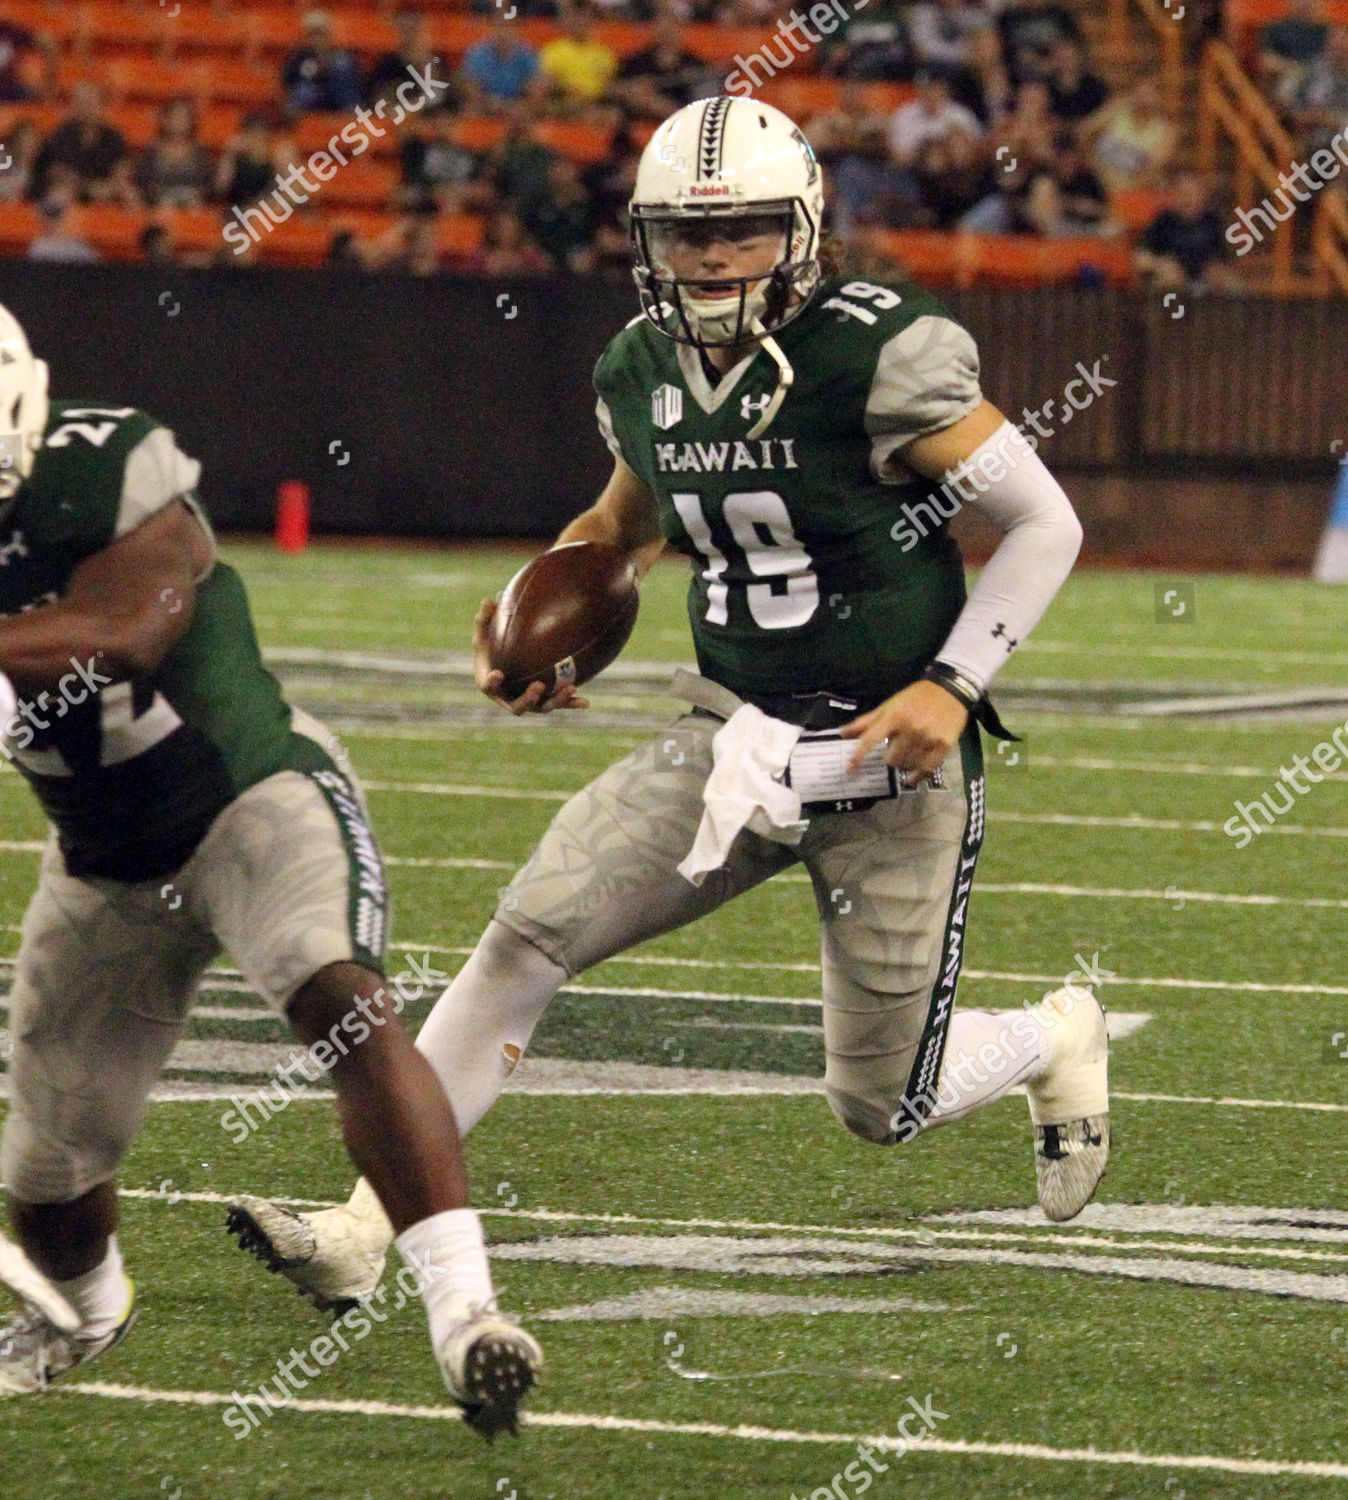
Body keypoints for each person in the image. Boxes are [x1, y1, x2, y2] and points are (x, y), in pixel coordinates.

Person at [226, 96, 1108, 1317]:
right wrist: (529, 617)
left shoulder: (883, 351)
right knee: (528, 935)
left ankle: (1058, 1033)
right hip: (732, 737)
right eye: (685, 232)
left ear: (798, 229)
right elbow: (618, 529)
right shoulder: (641, 367)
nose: (710, 255)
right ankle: (367, 1227)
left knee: (881, 1103)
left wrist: (952, 685)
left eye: (741, 228)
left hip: (885, 756)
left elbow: (1043, 522)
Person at [0, 306, 541, 1436]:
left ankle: (467, 1316)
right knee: (49, 1174)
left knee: (338, 993)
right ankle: (86, 1316)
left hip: (250, 798)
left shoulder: (104, 463)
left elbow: (131, 627)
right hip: (103, 862)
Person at [31, 83, 133, 204]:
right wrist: (82, 186)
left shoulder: (113, 137)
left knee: (129, 194)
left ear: (100, 106)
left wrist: (108, 187)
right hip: (73, 189)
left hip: (105, 188)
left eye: (91, 103)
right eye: (82, 103)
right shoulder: (60, 136)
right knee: (59, 195)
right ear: (74, 106)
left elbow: (121, 171)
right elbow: (54, 170)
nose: (86, 109)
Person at [134, 99, 215, 209]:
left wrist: (197, 194)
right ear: (165, 120)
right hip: (159, 203)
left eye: (184, 117)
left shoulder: (200, 152)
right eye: (175, 116)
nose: (179, 121)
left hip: (192, 202)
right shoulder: (152, 151)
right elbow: (141, 182)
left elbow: (209, 184)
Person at [283, 9, 364, 115]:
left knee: (343, 66)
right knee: (303, 91)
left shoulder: (343, 57)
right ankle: (301, 126)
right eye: (312, 34)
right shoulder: (298, 58)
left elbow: (356, 82)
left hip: (336, 94)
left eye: (321, 34)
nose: (317, 39)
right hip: (312, 97)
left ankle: (350, 119)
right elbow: (289, 81)